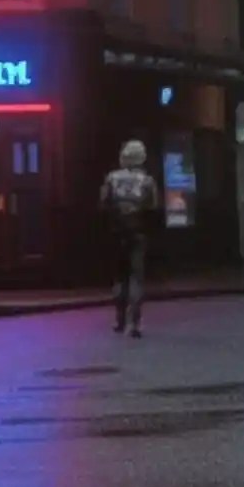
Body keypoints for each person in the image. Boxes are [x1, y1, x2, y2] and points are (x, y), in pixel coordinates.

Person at [100, 140, 160, 338]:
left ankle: (119, 321)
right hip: (138, 231)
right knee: (136, 277)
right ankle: (135, 323)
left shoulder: (111, 178)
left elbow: (103, 203)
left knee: (119, 277)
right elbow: (153, 206)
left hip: (117, 232)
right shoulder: (147, 181)